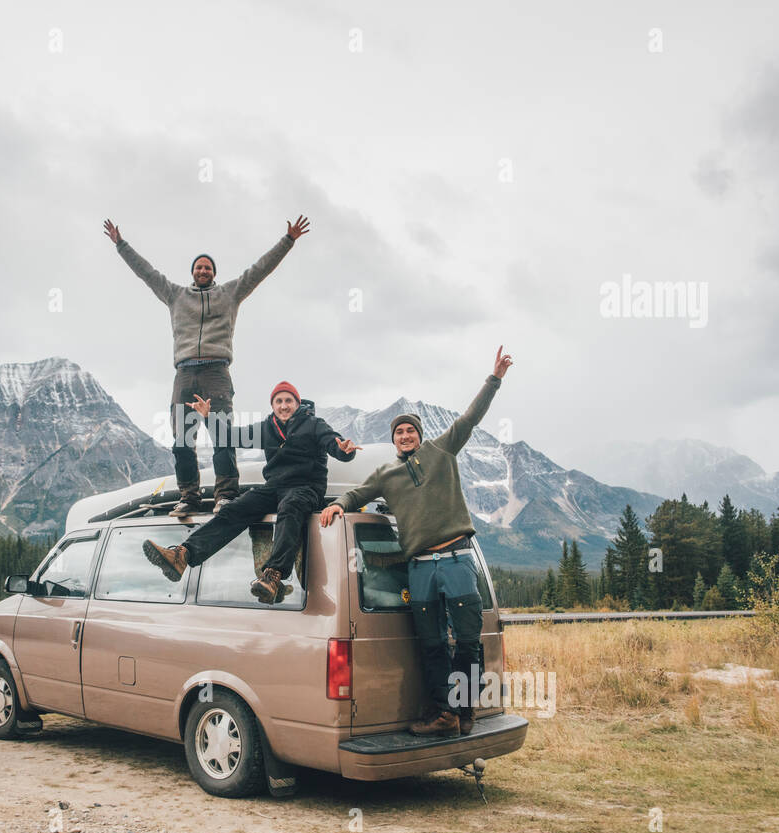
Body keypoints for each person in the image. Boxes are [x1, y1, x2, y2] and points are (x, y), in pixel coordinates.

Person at [320, 347, 515, 737]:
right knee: (430, 644)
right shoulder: (386, 473)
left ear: (419, 435)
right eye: (398, 432)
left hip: (458, 559)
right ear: (393, 440)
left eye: (409, 430)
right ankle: (443, 712)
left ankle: (464, 712)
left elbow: (471, 417)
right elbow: (357, 494)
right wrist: (338, 505)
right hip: (420, 567)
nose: (404, 435)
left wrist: (494, 378)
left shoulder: (442, 450)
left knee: (467, 643)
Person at [103, 215, 310, 515]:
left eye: (208, 267)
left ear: (213, 273)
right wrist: (121, 245)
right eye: (199, 267)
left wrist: (287, 240)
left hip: (216, 372)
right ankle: (189, 496)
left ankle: (225, 495)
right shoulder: (175, 295)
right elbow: (146, 273)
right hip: (184, 374)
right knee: (182, 441)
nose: (203, 270)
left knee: (222, 436)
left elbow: (259, 270)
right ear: (193, 273)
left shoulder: (229, 294)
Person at [144, 381, 360, 603]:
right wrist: (208, 417)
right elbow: (230, 437)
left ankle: (273, 575)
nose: (284, 406)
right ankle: (183, 555)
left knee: (291, 507)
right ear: (273, 405)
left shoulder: (314, 424)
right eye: (279, 401)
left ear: (297, 403)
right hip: (274, 487)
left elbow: (334, 444)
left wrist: (344, 450)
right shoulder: (267, 427)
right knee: (235, 508)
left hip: (306, 487)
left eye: (288, 400)